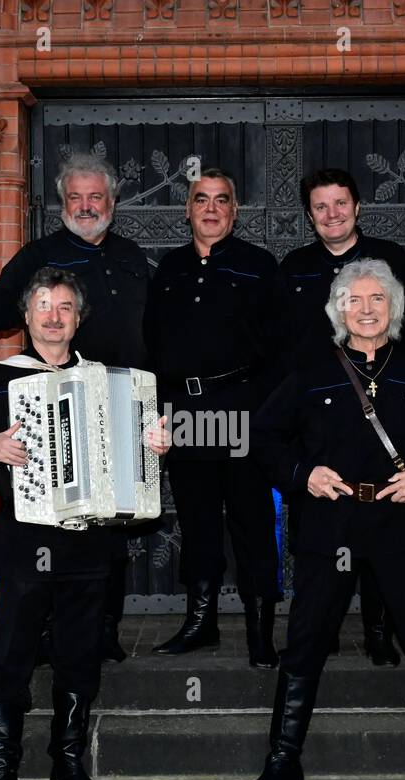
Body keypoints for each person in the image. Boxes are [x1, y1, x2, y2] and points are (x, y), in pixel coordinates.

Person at [0, 268, 170, 780]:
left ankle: (68, 761)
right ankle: (1, 773)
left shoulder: (109, 381)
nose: (54, 316)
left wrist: (156, 443)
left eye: (65, 307)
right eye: (44, 306)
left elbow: (136, 458)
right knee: (11, 656)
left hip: (88, 547)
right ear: (27, 316)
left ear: (77, 319)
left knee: (80, 656)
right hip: (22, 544)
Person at [248, 258, 405, 780]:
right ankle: (282, 761)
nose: (365, 309)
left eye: (377, 299)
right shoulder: (310, 372)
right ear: (337, 310)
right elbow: (263, 438)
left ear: (394, 308)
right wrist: (301, 474)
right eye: (353, 300)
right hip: (330, 523)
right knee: (305, 642)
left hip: (398, 523)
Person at [0, 153, 150, 663]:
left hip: (116, 402)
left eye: (95, 196)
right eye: (75, 197)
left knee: (111, 518)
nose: (85, 206)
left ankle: (102, 630)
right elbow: (0, 299)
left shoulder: (133, 256)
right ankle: (45, 630)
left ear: (112, 202)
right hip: (53, 396)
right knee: (53, 511)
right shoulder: (40, 253)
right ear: (62, 203)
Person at [275, 167, 405, 667]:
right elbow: (282, 345)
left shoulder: (391, 259)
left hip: (381, 404)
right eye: (321, 206)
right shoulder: (293, 268)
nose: (332, 214)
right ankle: (323, 625)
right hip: (316, 414)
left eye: (341, 203)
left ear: (357, 207)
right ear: (309, 215)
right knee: (318, 522)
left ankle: (380, 629)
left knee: (381, 516)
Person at [143, 169, 282, 667]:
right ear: (188, 209)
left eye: (222, 200)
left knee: (252, 521)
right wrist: (156, 413)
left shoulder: (259, 266)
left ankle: (261, 633)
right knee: (197, 522)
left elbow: (277, 353)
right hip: (184, 412)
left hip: (241, 406)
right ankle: (200, 623)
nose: (211, 208)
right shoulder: (170, 269)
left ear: (234, 210)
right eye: (201, 199)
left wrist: (264, 415)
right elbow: (152, 345)